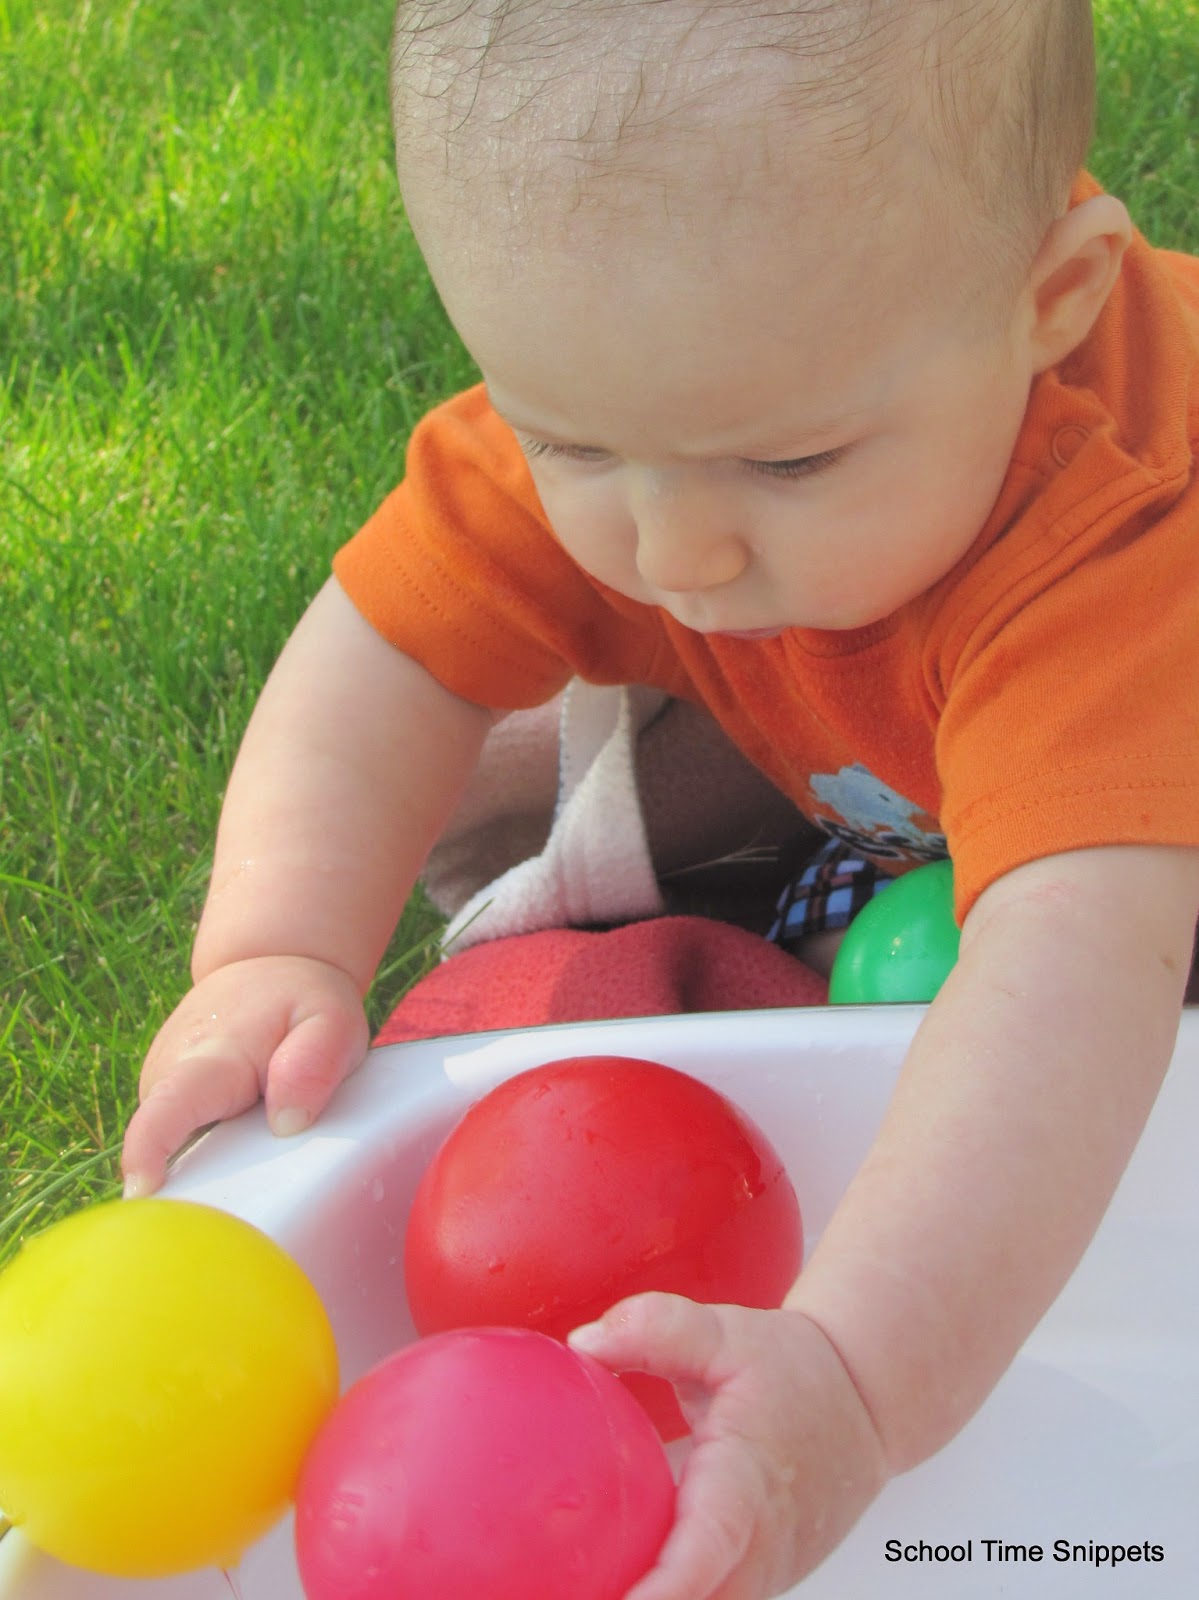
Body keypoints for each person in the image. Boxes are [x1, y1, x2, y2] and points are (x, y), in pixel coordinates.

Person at [122, 2, 1199, 1594]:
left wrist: (849, 1371)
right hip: (936, 765)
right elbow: (382, 660)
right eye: (573, 440)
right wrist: (271, 952)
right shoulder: (687, 398)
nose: (673, 554)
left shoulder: (1113, 536)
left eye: (791, 465)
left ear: (1050, 301)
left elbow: (1071, 976)